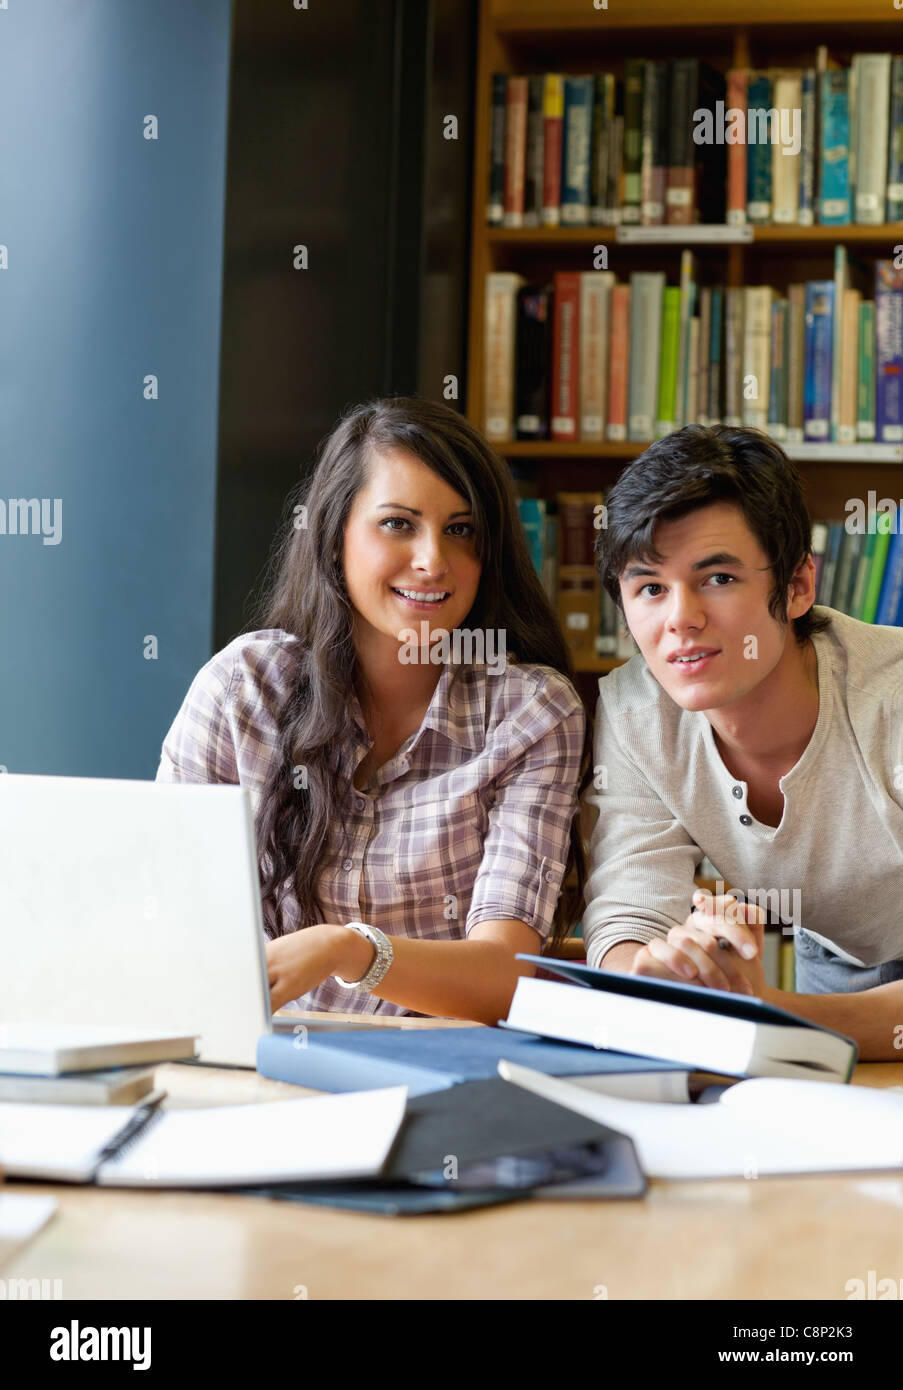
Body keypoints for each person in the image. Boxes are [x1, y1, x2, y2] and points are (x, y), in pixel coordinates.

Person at [156, 396, 588, 1024]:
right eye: (398, 524)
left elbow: (503, 980)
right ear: (334, 536)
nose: (433, 560)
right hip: (253, 1058)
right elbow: (166, 915)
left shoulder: (531, 712)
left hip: (438, 1076)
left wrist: (350, 950)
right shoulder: (242, 689)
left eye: (461, 530)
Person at [585, 423, 903, 1060]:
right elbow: (628, 911)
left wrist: (756, 1015)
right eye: (649, 587)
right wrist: (659, 977)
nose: (680, 619)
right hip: (841, 979)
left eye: (719, 578)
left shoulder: (890, 696)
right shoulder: (635, 711)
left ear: (797, 586)